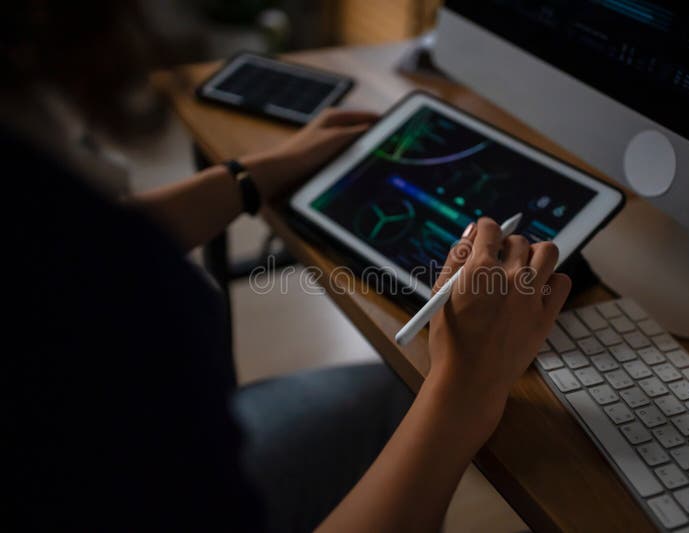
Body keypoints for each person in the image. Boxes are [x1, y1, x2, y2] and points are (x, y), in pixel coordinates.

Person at [6, 3, 571, 532]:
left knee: (391, 386)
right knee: (410, 387)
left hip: (154, 453)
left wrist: (256, 174)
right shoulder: (112, 303)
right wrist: (463, 391)